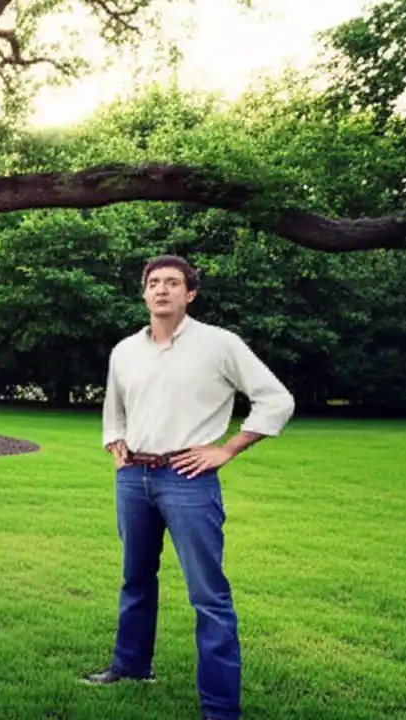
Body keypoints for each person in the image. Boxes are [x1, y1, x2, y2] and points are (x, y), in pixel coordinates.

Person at [85, 255, 295, 720]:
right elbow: (114, 408)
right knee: (136, 578)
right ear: (144, 292)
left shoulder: (220, 345)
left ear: (190, 293)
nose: (162, 289)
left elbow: (277, 399)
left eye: (173, 283)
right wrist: (114, 441)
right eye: (154, 282)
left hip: (188, 479)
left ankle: (220, 708)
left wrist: (228, 448)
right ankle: (131, 666)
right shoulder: (125, 350)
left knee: (208, 594)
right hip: (132, 478)